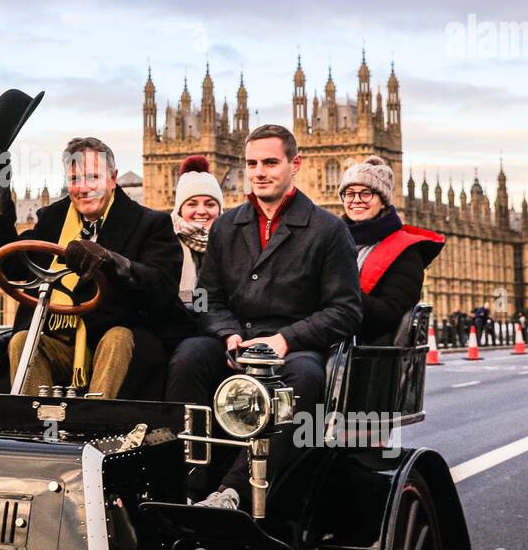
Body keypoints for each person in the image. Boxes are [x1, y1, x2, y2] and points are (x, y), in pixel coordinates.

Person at [165, 124, 362, 498]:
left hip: (296, 347)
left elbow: (346, 310)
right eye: (252, 163)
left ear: (295, 164)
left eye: (271, 162)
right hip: (236, 340)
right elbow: (208, 298)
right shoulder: (226, 226)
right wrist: (226, 332)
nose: (259, 172)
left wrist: (287, 339)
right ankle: (188, 482)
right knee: (188, 356)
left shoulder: (328, 229)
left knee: (303, 380)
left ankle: (235, 491)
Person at [0, 136, 185, 399]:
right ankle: (33, 426)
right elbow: (7, 266)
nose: (83, 188)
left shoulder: (150, 224)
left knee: (117, 338)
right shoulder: (52, 220)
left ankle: (96, 424)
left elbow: (162, 288)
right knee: (22, 340)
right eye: (75, 180)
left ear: (112, 178)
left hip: (120, 347)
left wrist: (111, 260)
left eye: (93, 177)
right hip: (60, 343)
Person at [334, 156, 445, 344]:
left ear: (383, 200)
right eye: (350, 194)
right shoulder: (331, 240)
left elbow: (390, 316)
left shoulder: (405, 251)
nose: (356, 200)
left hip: (366, 350)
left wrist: (337, 290)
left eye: (366, 193)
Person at [170, 155, 224, 308]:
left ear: (220, 209)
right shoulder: (164, 243)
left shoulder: (235, 243)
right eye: (192, 204)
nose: (201, 211)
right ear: (180, 210)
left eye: (210, 204)